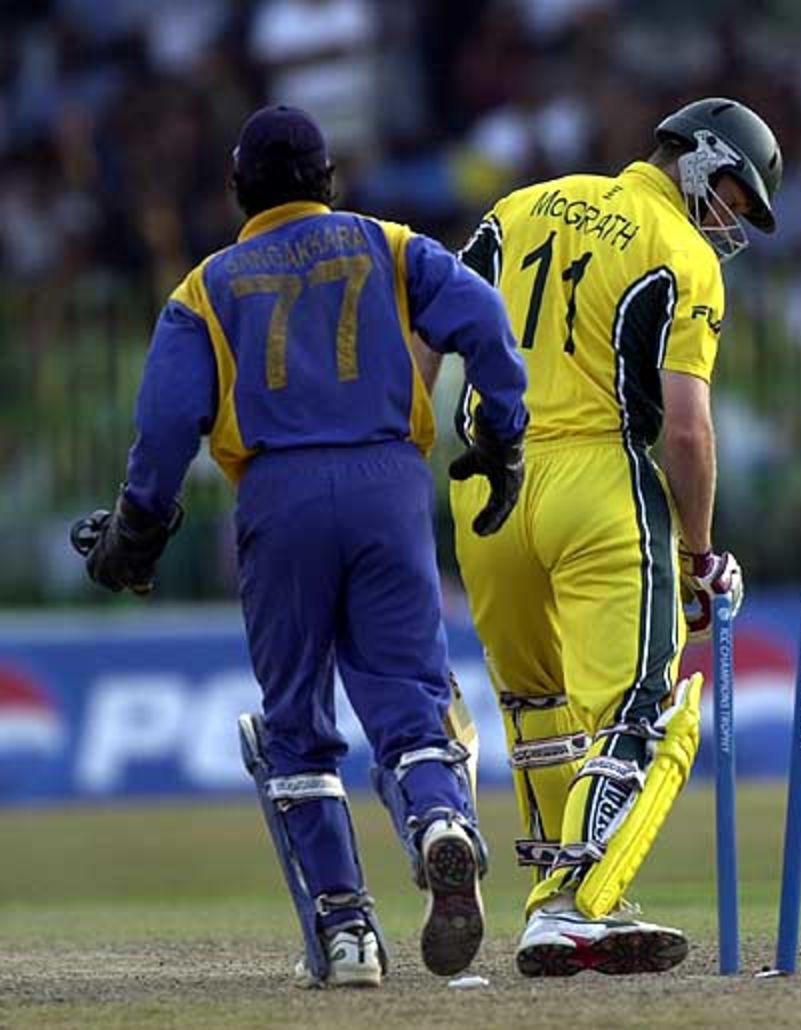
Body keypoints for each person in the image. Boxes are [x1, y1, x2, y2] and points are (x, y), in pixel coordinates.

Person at [71, 105, 528, 987]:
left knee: (296, 726)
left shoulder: (205, 288)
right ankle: (440, 820)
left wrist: (139, 529)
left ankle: (347, 932)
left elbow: (167, 423)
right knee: (407, 695)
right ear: (329, 182)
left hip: (277, 501)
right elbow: (483, 317)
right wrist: (502, 431)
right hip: (388, 484)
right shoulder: (394, 247)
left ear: (239, 190)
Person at [447, 97, 781, 975]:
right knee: (651, 710)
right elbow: (686, 431)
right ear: (701, 159)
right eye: (735, 198)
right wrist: (700, 554)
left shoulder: (518, 206)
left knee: (537, 714)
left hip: (487, 485)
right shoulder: (679, 252)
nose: (732, 222)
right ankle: (575, 905)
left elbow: (428, 328)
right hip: (599, 480)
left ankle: (561, 898)